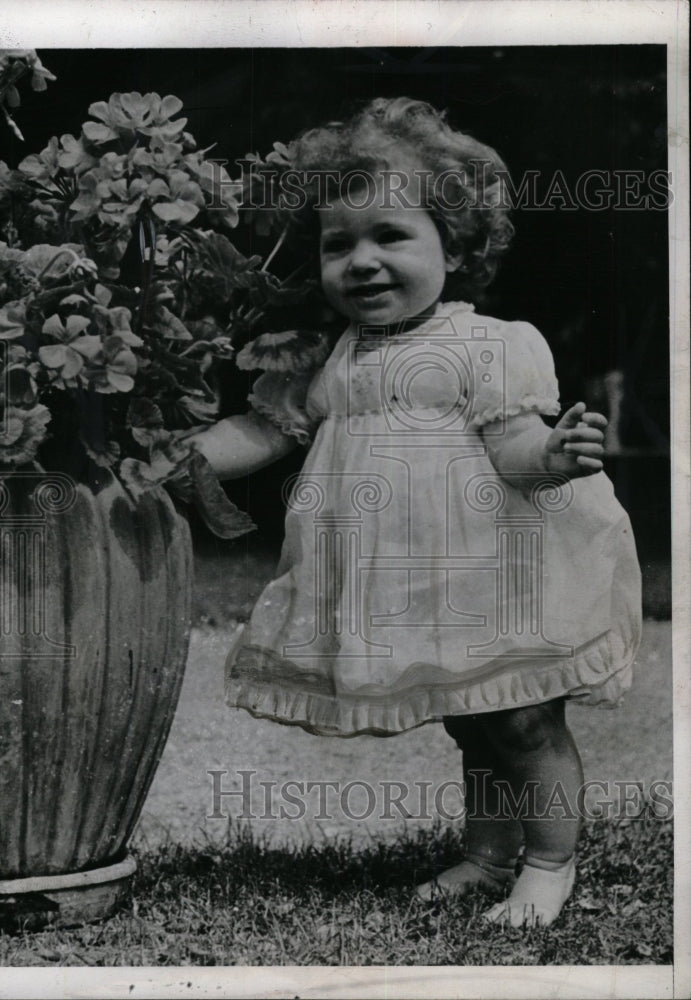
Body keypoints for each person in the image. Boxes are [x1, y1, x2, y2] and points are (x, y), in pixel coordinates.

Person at [190, 97, 642, 927]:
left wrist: (552, 455)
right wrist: (170, 459)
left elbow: (512, 448)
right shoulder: (332, 358)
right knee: (471, 724)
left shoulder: (486, 345)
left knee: (519, 719)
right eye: (338, 244)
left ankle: (548, 860)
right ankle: (487, 851)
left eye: (390, 236)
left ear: (455, 244)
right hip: (415, 587)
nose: (360, 262)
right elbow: (266, 428)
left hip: (492, 576)